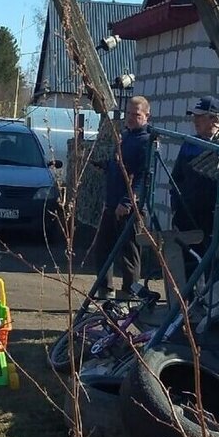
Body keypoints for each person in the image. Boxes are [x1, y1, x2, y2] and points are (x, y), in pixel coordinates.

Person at [168, 96, 219, 287]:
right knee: (186, 259)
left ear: (214, 119)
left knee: (210, 261)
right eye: (194, 117)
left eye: (200, 117)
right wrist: (176, 206)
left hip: (212, 216)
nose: (195, 121)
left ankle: (207, 303)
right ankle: (185, 302)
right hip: (187, 213)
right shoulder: (190, 143)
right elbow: (176, 177)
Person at [94, 96, 152, 300]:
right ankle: (105, 292)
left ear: (146, 116)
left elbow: (142, 176)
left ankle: (129, 295)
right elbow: (120, 165)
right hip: (111, 203)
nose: (131, 118)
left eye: (136, 115)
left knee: (129, 255)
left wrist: (128, 202)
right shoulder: (126, 136)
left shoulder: (146, 142)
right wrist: (107, 165)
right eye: (128, 114)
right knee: (103, 250)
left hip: (129, 209)